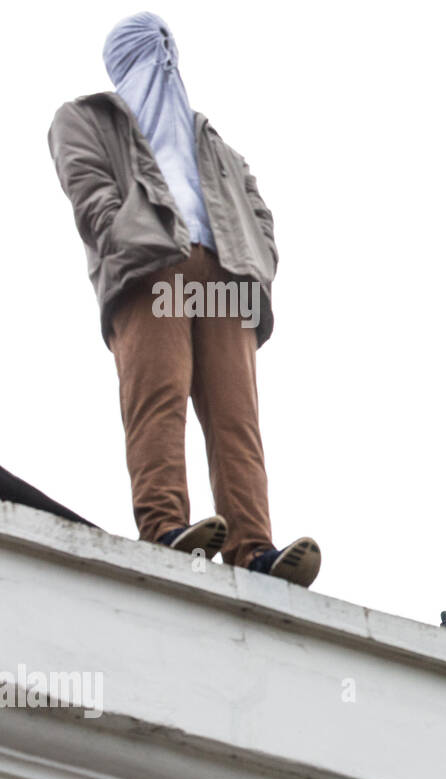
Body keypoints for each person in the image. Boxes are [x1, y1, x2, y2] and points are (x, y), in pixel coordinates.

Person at [48, 13, 319, 586]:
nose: (163, 58)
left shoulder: (210, 138)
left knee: (236, 417)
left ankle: (254, 550)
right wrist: (124, 234)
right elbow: (85, 184)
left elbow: (257, 206)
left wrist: (257, 258)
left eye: (168, 47)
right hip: (151, 267)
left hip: (223, 276)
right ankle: (166, 530)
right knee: (158, 396)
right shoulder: (86, 117)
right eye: (150, 49)